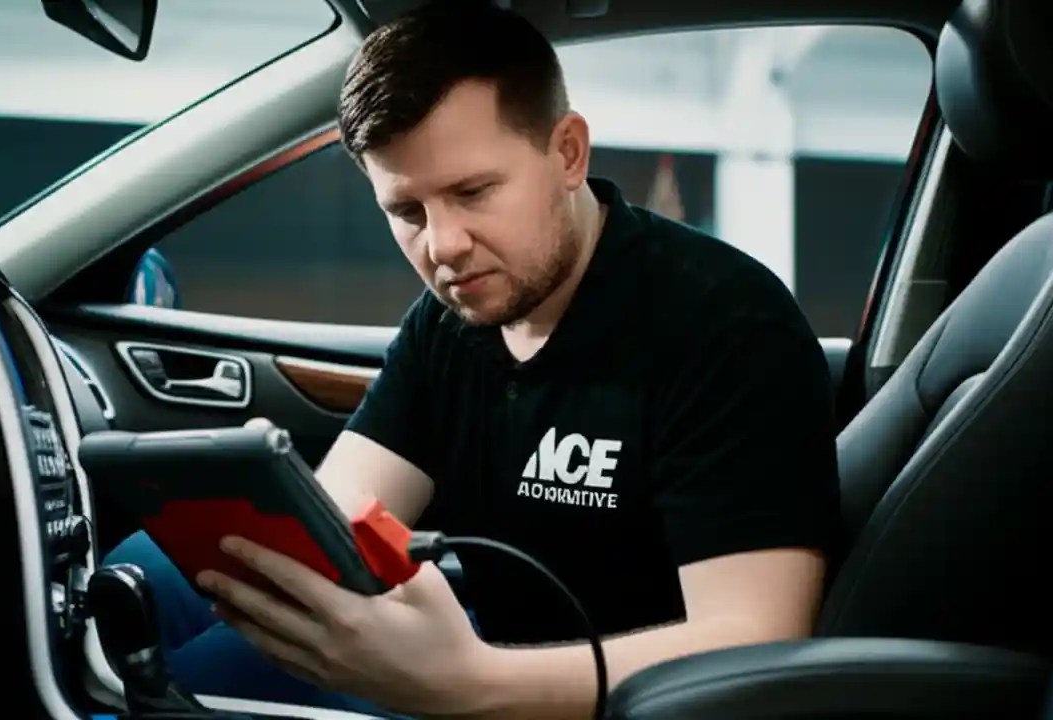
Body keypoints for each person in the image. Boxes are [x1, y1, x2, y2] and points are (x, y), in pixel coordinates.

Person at [104, 1, 842, 717]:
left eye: (473, 192)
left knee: (193, 681)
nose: (443, 245)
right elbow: (340, 521)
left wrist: (469, 683)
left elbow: (757, 640)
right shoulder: (451, 324)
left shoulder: (724, 323)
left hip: (600, 702)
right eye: (408, 212)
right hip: (478, 667)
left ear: (568, 153)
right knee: (154, 577)